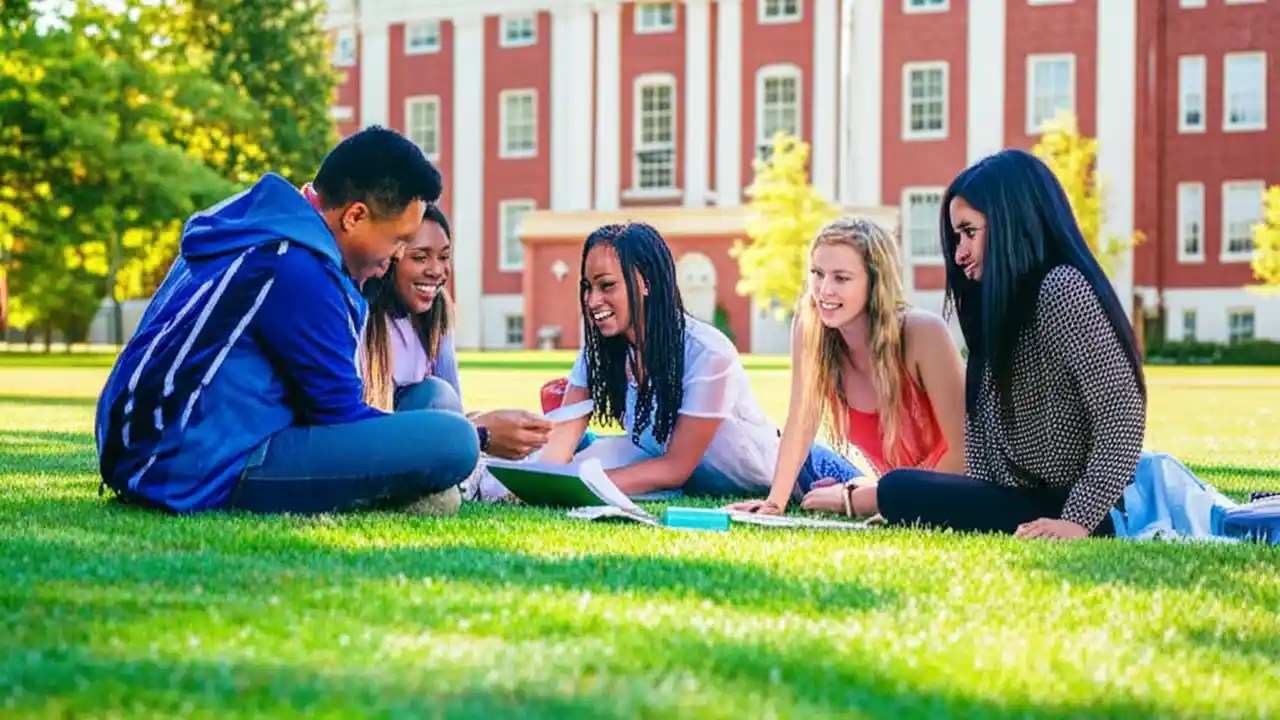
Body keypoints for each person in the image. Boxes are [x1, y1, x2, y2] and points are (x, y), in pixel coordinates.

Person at [94, 126, 480, 514]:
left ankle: (401, 487)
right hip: (200, 470)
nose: (397, 256)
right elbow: (340, 416)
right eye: (398, 239)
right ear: (355, 216)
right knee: (457, 440)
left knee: (434, 398)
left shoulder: (258, 228)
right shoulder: (297, 266)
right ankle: (395, 493)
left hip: (150, 452)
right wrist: (484, 436)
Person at [841, 148, 1147, 539]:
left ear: (1011, 221)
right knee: (902, 491)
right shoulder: (994, 309)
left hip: (1086, 505)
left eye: (969, 232)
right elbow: (982, 440)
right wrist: (948, 504)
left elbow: (1121, 414)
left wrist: (1077, 520)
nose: (959, 253)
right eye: (956, 237)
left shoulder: (1062, 289)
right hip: (1024, 498)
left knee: (898, 488)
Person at [536, 222, 859, 498]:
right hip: (705, 482)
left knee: (894, 505)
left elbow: (675, 468)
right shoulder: (598, 353)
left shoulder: (707, 353)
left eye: (607, 285)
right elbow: (556, 451)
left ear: (646, 282)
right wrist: (538, 484)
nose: (593, 300)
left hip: (803, 473)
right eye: (587, 287)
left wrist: (580, 484)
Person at [728, 217, 965, 516]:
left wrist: (877, 500)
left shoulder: (923, 333)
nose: (824, 290)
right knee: (806, 460)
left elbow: (965, 452)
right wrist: (774, 503)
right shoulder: (810, 324)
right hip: (889, 486)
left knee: (837, 489)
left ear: (875, 282)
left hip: (948, 486)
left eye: (841, 278)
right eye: (817, 273)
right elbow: (801, 421)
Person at [358, 202, 552, 460]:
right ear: (391, 258)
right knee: (433, 393)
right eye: (420, 257)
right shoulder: (362, 318)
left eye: (444, 256)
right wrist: (481, 432)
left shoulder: (436, 316)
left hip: (429, 440)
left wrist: (502, 426)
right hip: (379, 448)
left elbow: (453, 413)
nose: (436, 270)